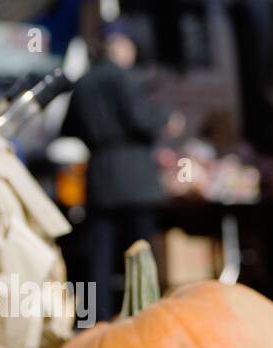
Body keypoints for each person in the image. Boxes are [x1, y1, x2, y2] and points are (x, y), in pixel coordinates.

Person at [61, 23, 171, 324]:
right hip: (134, 176)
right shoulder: (127, 79)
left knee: (99, 255)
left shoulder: (83, 83)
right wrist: (167, 118)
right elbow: (141, 121)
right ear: (123, 48)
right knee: (141, 252)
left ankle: (93, 319)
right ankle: (147, 315)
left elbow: (67, 128)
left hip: (100, 176)